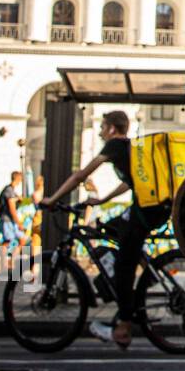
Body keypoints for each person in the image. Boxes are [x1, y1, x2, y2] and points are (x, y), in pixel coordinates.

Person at [40, 110, 155, 349]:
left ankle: (123, 327)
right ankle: (139, 271)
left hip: (146, 209)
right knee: (108, 229)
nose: (101, 131)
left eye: (103, 127)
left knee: (124, 265)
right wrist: (102, 200)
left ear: (113, 128)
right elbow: (128, 182)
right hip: (147, 207)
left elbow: (81, 175)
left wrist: (52, 199)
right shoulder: (128, 147)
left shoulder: (114, 145)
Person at [0, 170, 23, 278]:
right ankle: (3, 268)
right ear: (17, 179)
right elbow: (12, 209)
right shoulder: (9, 190)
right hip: (7, 220)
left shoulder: (12, 190)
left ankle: (10, 265)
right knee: (7, 242)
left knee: (22, 240)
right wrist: (18, 222)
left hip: (10, 220)